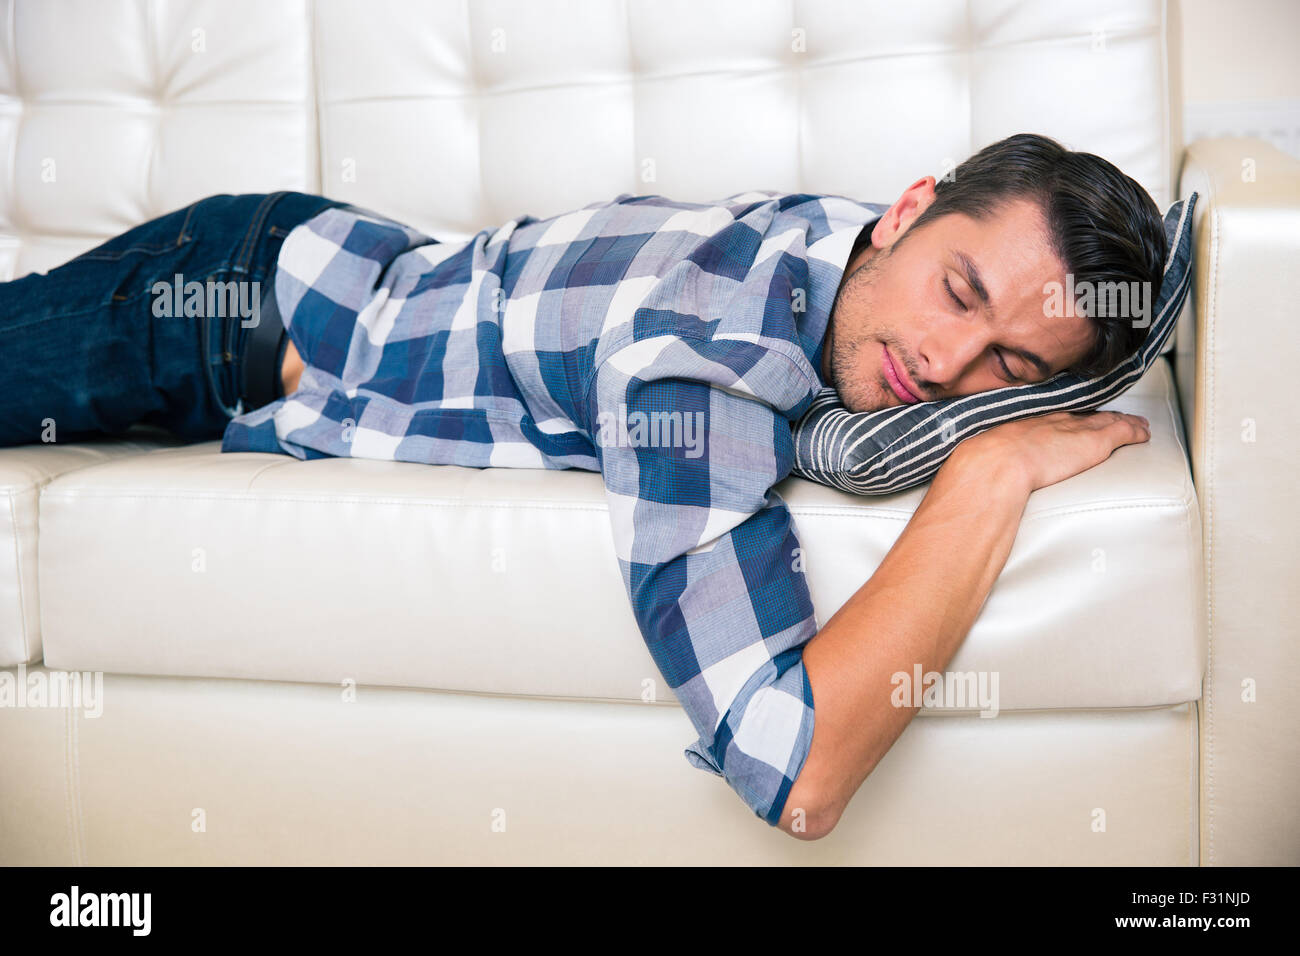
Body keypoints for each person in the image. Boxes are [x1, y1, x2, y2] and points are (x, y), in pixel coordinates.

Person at [0, 133, 1159, 839]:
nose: (946, 371)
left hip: (322, 280)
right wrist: (990, 472)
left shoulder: (851, 262)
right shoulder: (699, 353)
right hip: (228, 298)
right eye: (960, 292)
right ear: (907, 209)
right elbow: (795, 768)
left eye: (1009, 372)